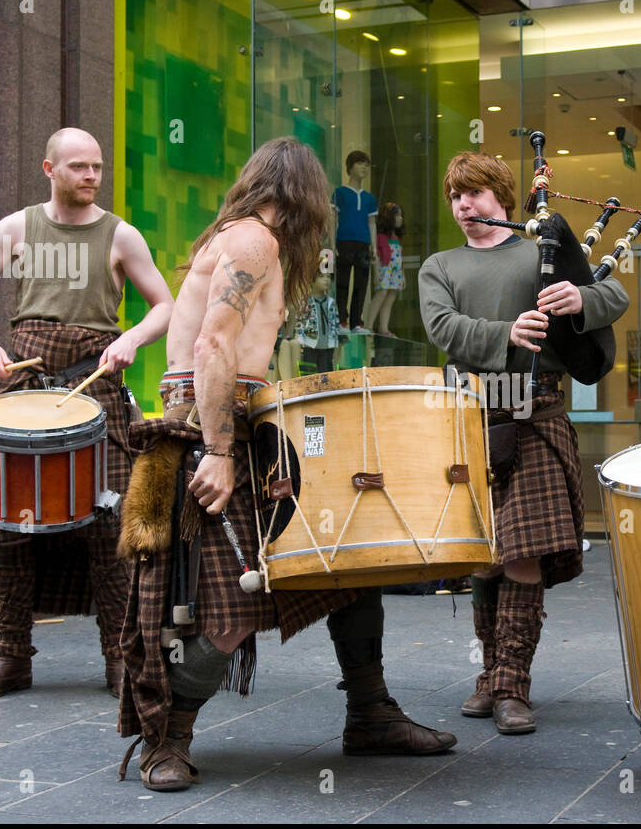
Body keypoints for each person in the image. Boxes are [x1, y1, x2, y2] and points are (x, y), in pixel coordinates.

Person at [117, 137, 454, 793]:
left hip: (240, 424)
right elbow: (215, 342)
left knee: (344, 566)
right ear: (304, 196)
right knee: (225, 607)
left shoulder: (238, 235)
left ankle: (370, 712)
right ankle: (167, 736)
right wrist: (217, 452)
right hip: (210, 430)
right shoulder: (254, 244)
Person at [0, 127, 173, 701]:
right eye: (79, 166)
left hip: (94, 391)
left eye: (97, 166)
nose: (92, 176)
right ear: (49, 169)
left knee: (109, 531)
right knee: (8, 528)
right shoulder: (17, 228)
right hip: (23, 392)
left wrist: (132, 340)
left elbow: (164, 305)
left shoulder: (122, 235)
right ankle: (12, 660)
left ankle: (121, 662)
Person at [418, 152, 629, 734]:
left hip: (535, 410)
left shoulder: (542, 249)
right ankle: (490, 674)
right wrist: (505, 332)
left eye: (475, 193)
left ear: (503, 196)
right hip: (467, 418)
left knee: (523, 549)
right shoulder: (439, 265)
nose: (464, 206)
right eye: (456, 197)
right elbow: (442, 327)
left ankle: (512, 684)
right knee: (485, 554)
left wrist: (580, 300)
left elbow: (613, 297)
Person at [331, 150, 377, 334]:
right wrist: (332, 244)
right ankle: (341, 320)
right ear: (350, 167)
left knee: (361, 283)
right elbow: (332, 218)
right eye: (360, 163)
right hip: (343, 241)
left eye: (366, 164)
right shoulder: (340, 193)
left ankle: (357, 322)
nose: (364, 167)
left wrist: (373, 245)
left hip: (363, 243)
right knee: (342, 282)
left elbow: (372, 223)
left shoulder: (369, 198)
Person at [362, 202, 404, 336]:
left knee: (391, 296)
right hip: (385, 269)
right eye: (397, 216)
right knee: (382, 293)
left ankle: (383, 328)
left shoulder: (396, 238)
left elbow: (399, 258)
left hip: (395, 271)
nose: (400, 219)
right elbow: (376, 257)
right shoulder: (380, 238)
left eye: (401, 216)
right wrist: (376, 272)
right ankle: (368, 325)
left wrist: (402, 274)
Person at [294, 272, 340, 373]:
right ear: (312, 280)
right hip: (310, 345)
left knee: (326, 375)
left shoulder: (331, 302)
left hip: (327, 346)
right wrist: (300, 340)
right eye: (321, 277)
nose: (326, 280)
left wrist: (336, 341)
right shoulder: (306, 301)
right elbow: (300, 322)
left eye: (328, 277)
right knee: (309, 375)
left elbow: (335, 322)